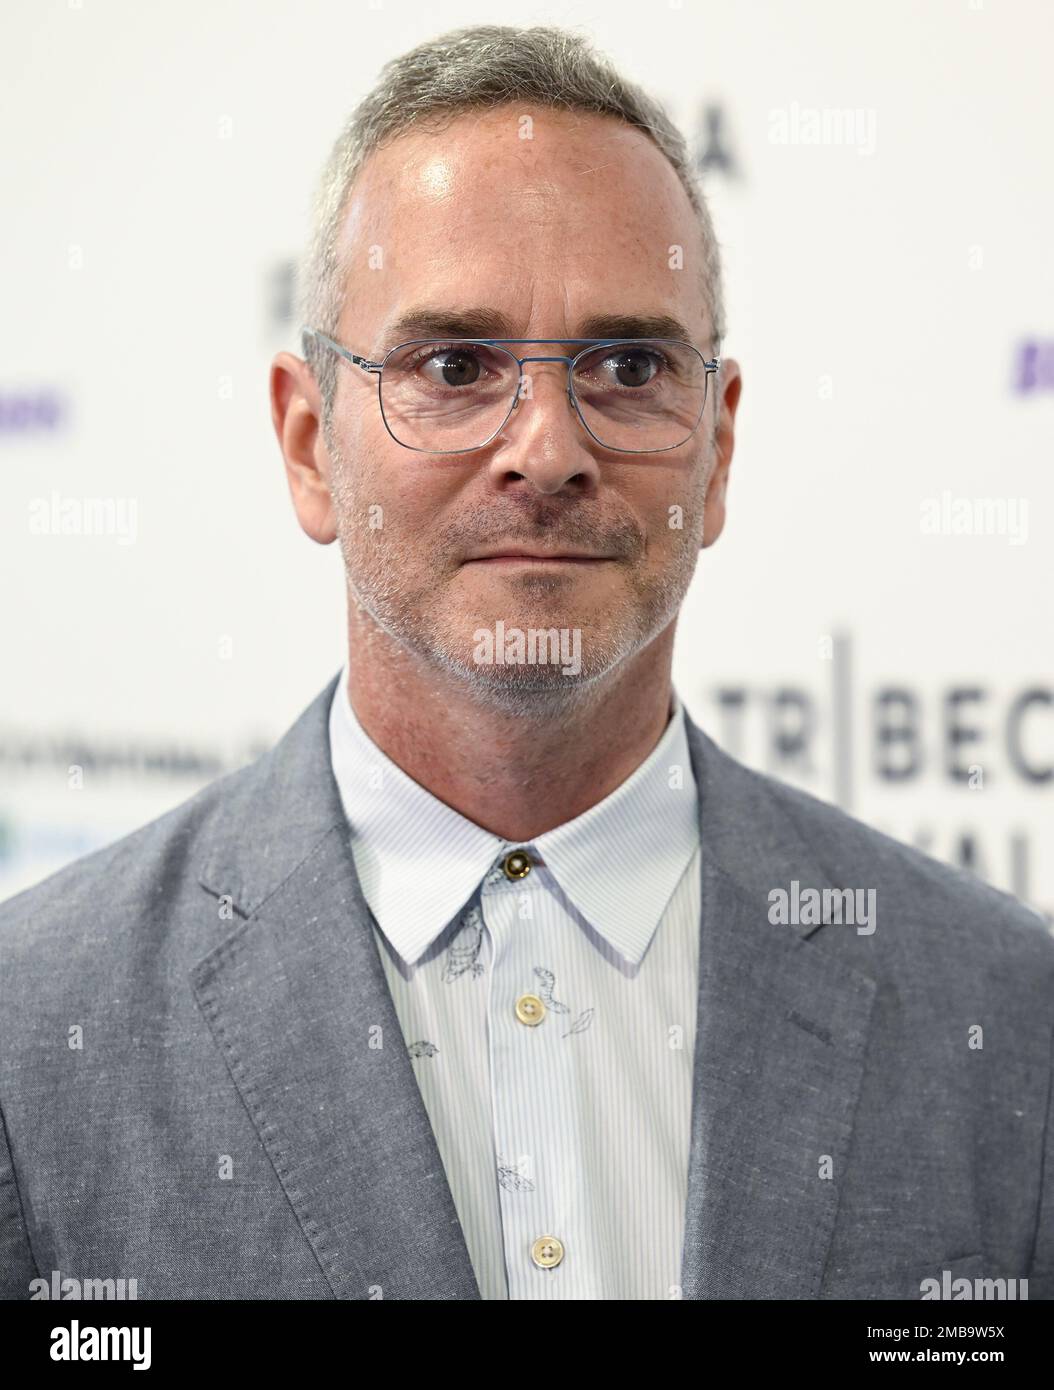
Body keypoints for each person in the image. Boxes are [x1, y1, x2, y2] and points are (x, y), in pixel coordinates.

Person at [1, 23, 1051, 1302]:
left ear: (716, 452)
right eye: (454, 366)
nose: (545, 446)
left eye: (627, 366)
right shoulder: (32, 1033)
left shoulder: (1003, 1014)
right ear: (304, 442)